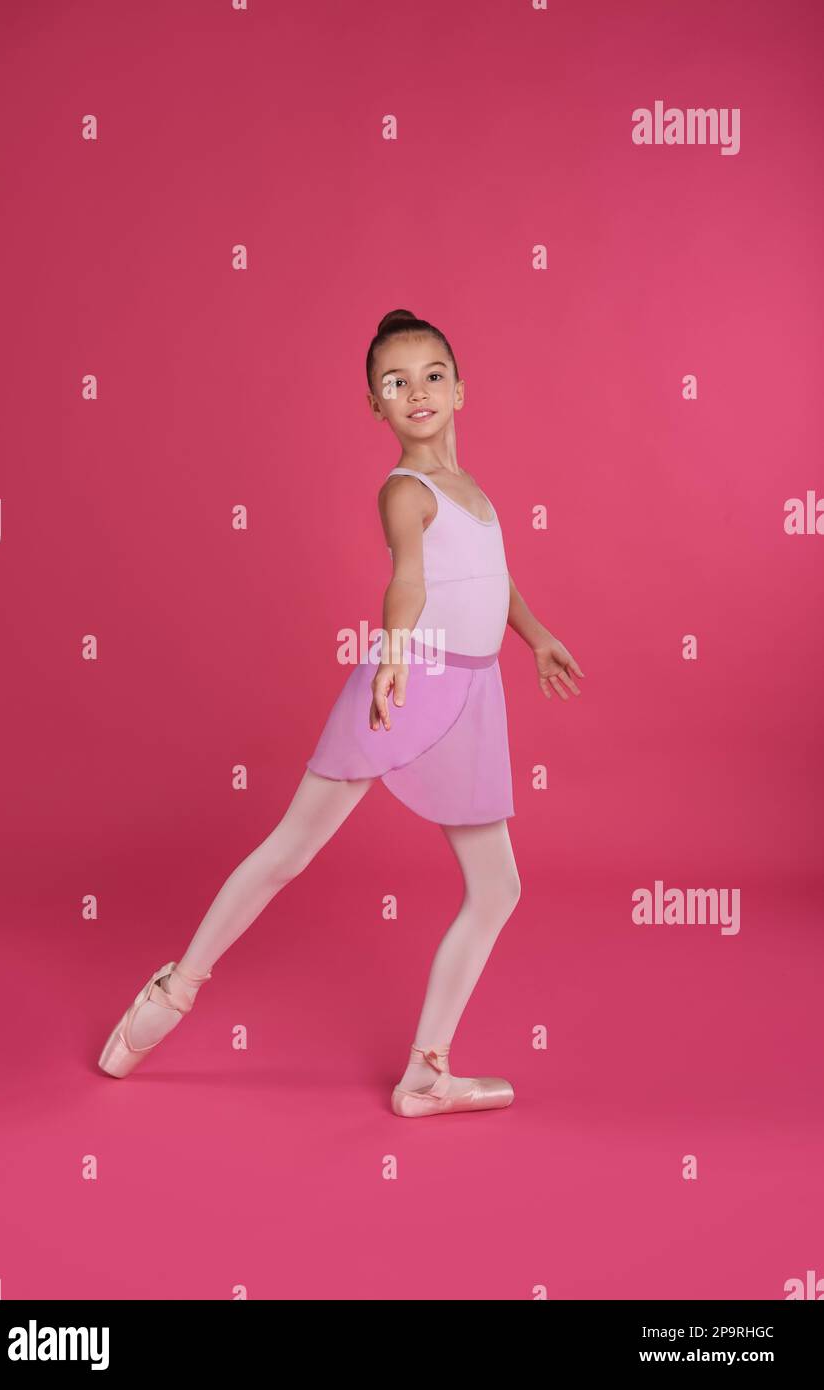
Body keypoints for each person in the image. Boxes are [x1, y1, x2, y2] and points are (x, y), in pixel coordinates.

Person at [98, 308, 585, 1117]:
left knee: (497, 886)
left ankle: (427, 1071)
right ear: (375, 405)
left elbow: (490, 581)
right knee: (291, 847)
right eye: (396, 383)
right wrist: (393, 652)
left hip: (471, 695)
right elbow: (410, 581)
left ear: (461, 389)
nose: (417, 392)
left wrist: (535, 637)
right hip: (407, 680)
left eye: (432, 375)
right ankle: (173, 990)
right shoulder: (406, 491)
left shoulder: (476, 494)